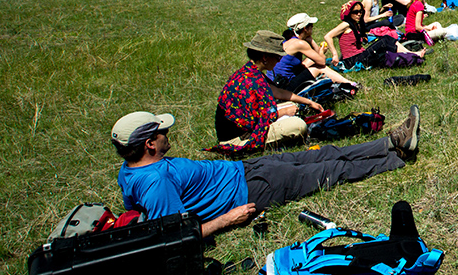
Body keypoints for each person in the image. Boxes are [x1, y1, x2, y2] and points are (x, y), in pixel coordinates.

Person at [111, 108, 421, 237]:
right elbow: (176, 237)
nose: (167, 134)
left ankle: (391, 141)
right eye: (162, 132)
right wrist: (224, 220)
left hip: (245, 169)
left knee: (323, 153)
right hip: (253, 189)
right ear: (150, 144)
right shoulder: (156, 182)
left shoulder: (130, 170)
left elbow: (137, 211)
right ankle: (397, 158)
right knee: (331, 170)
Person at [215, 31, 325, 152]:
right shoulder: (251, 83)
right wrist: (284, 112)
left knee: (292, 106)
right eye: (277, 56)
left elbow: (278, 92)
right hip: (238, 140)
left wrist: (308, 102)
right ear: (265, 57)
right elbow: (256, 120)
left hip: (242, 130)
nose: (279, 60)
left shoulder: (250, 72)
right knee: (298, 125)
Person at [325, 0, 426, 70]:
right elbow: (328, 36)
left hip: (359, 56)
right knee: (385, 40)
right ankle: (414, 54)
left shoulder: (355, 25)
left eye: (360, 11)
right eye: (355, 12)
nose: (359, 14)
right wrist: (334, 55)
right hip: (353, 61)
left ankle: (411, 55)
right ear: (349, 13)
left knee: (386, 41)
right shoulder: (346, 24)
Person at [272, 13, 356, 92]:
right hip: (284, 86)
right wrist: (321, 51)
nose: (312, 28)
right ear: (305, 29)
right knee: (318, 68)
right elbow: (322, 61)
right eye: (311, 26)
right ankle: (349, 84)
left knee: (310, 61)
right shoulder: (300, 44)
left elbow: (316, 56)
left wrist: (311, 41)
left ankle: (344, 82)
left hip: (276, 82)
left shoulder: (289, 40)